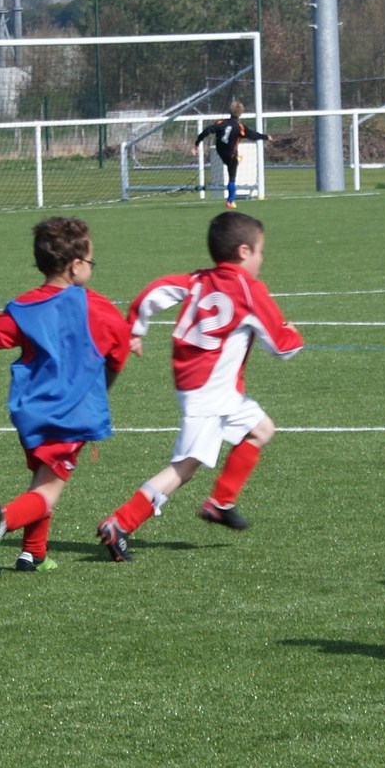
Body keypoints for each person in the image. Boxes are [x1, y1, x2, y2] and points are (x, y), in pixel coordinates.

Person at [0, 216, 131, 572]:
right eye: (91, 262)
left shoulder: (25, 307)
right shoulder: (100, 309)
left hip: (31, 411)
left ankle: (33, 554)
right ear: (75, 265)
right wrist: (102, 390)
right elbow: (118, 354)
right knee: (48, 491)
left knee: (41, 477)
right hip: (69, 414)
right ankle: (3, 519)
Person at [97, 210, 302, 562]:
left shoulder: (197, 280)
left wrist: (136, 328)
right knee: (184, 466)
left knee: (261, 429)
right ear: (243, 252)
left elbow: (155, 291)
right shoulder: (249, 290)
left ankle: (220, 501)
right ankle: (120, 522)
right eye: (260, 252)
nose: (262, 260)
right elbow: (282, 347)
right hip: (211, 392)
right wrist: (293, 333)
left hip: (202, 386)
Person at [195, 102, 271, 209]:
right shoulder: (240, 127)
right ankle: (230, 201)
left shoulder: (220, 123)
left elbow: (207, 131)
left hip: (220, 151)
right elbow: (252, 135)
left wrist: (197, 143)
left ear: (230, 111)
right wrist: (265, 136)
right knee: (232, 176)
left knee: (232, 160)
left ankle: (236, 160)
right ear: (241, 113)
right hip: (231, 155)